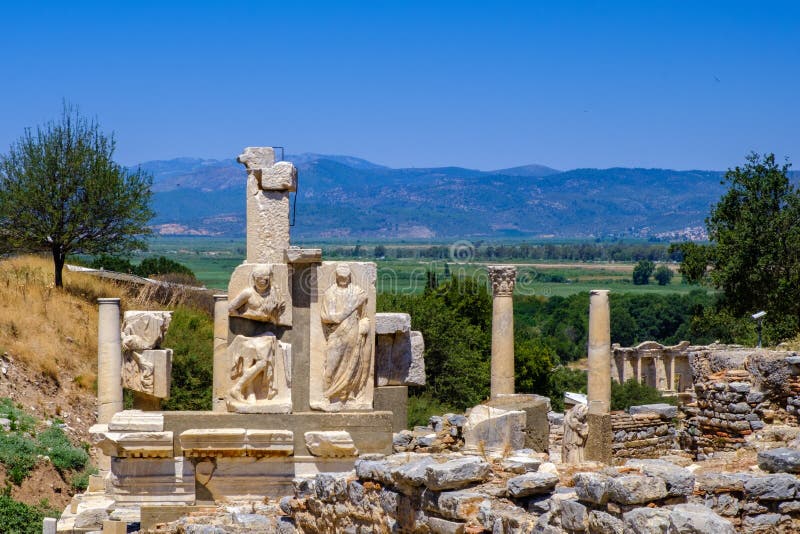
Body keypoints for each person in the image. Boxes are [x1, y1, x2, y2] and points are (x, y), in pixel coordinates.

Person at [320, 264, 371, 404]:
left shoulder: (358, 293)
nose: (343, 279)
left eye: (345, 277)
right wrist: (336, 317)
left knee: (352, 367)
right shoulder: (329, 293)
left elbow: (365, 316)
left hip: (354, 335)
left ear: (349, 276)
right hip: (336, 335)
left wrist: (364, 325)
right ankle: (326, 396)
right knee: (331, 367)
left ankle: (346, 397)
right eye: (340, 277)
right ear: (336, 276)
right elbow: (324, 316)